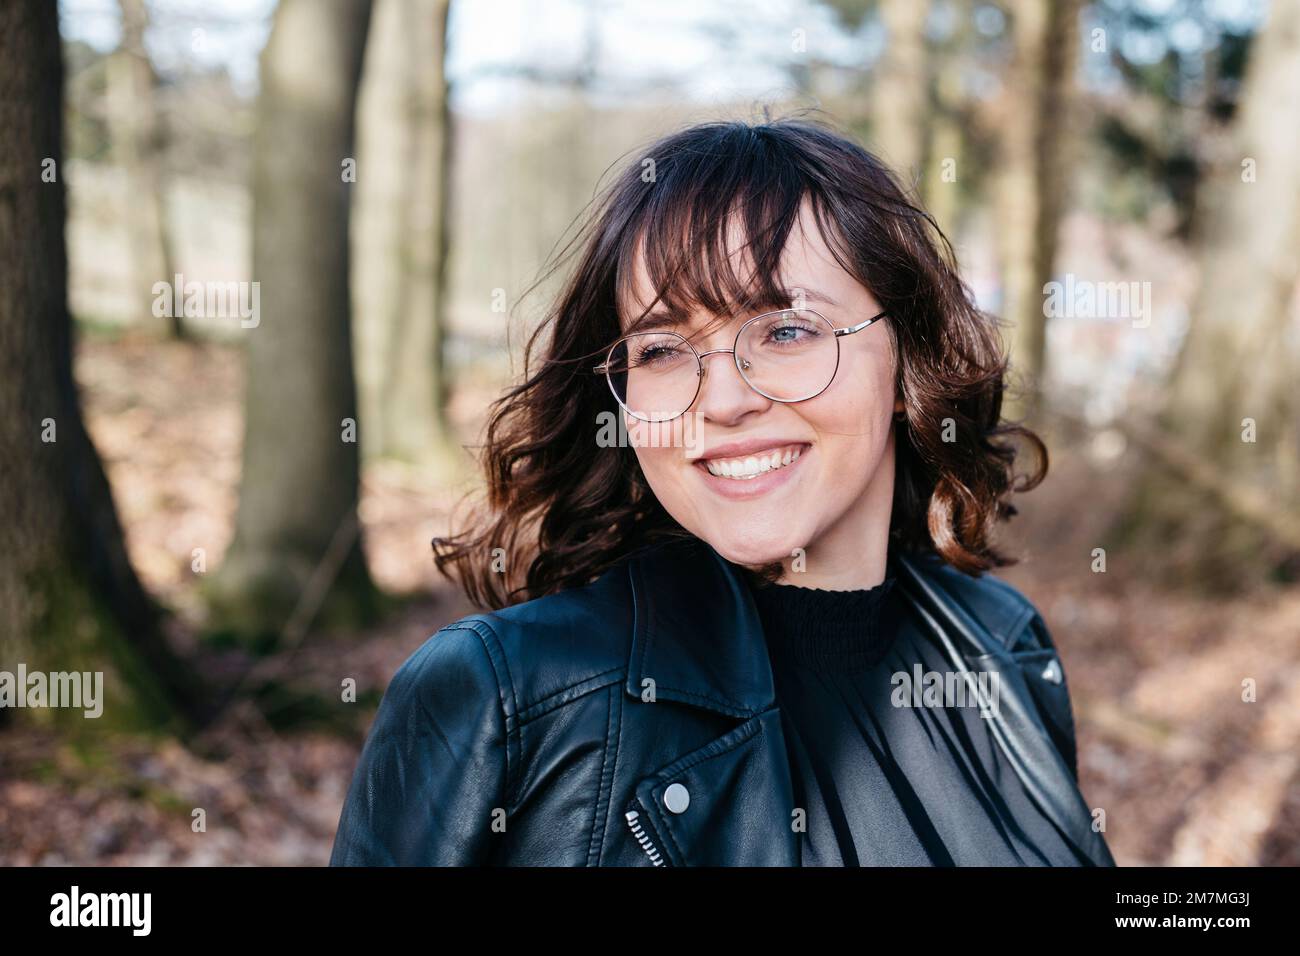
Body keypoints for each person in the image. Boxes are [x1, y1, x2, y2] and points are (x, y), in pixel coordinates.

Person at [329, 115, 1116, 867]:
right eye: (665, 349)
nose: (723, 399)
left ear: (910, 363)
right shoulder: (507, 698)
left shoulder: (999, 644)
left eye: (785, 331)